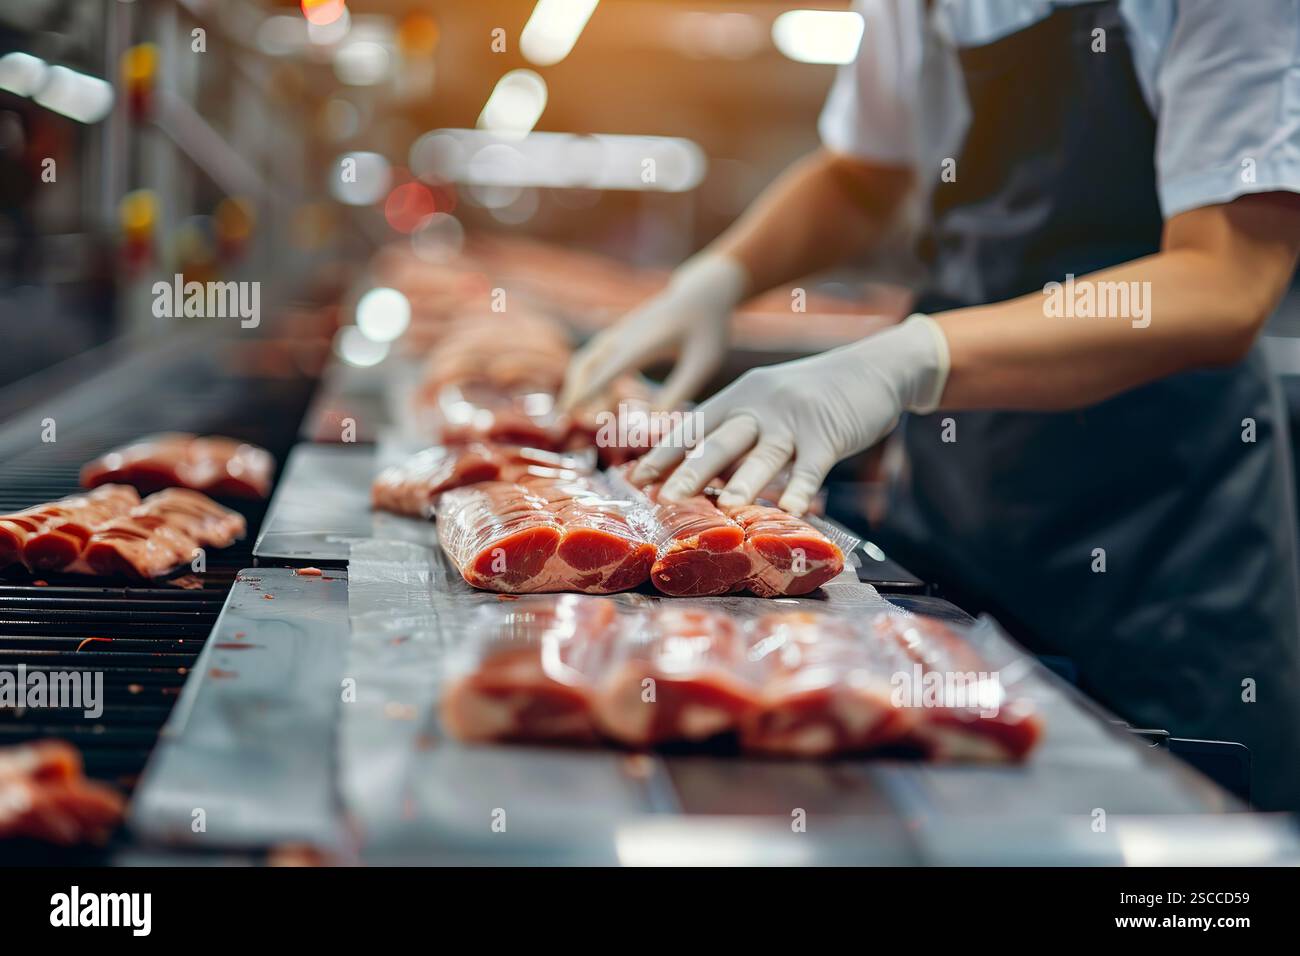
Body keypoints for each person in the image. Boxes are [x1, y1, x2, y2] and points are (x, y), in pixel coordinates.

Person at [560, 0, 1300, 810]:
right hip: (965, 486)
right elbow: (861, 177)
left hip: (1159, 535)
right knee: (936, 808)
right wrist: (720, 275)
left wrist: (913, 357)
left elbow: (1226, 279)